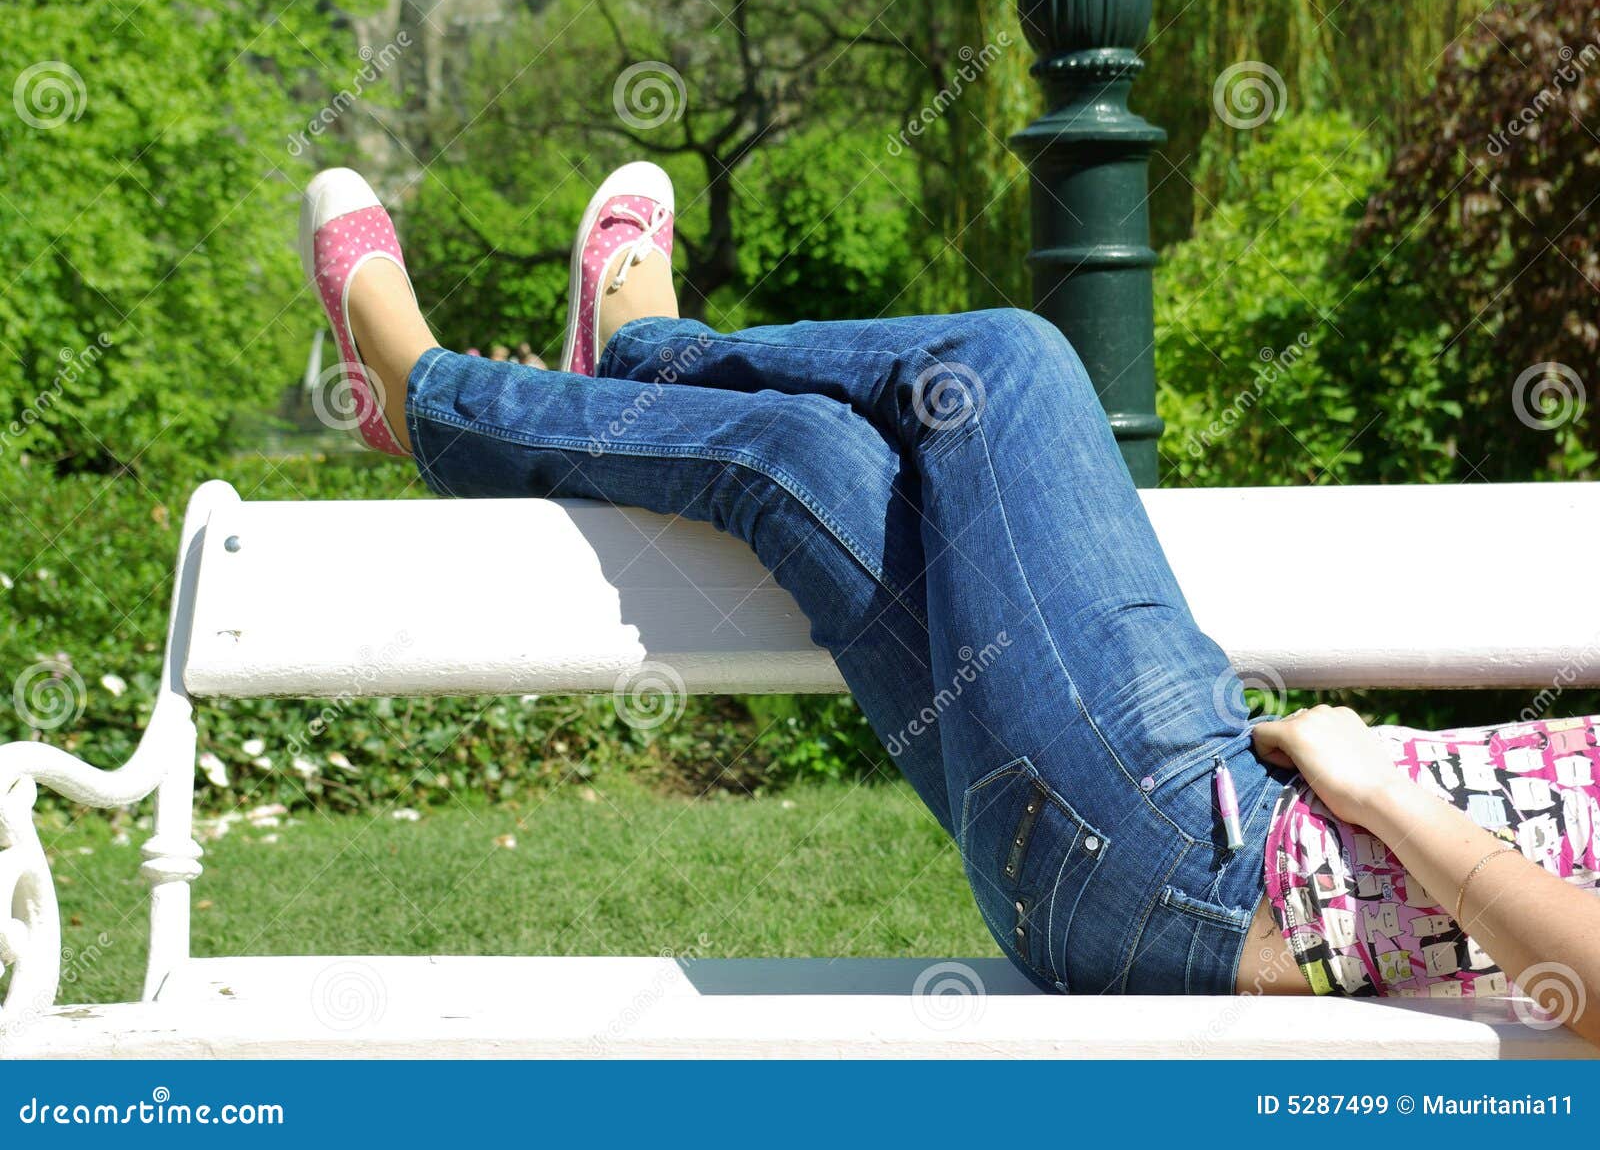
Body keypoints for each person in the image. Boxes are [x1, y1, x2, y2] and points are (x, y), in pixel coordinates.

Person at [299, 162, 1600, 1046]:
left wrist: (1376, 791)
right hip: (1146, 878)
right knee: (803, 461)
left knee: (1000, 363)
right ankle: (507, 377)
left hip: (1201, 852)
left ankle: (488, 375)